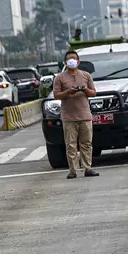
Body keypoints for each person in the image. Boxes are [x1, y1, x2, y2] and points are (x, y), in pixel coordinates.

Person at [53, 49, 99, 179]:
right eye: (69, 59)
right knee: (71, 145)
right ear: (65, 62)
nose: (71, 61)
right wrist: (68, 92)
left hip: (85, 115)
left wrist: (85, 89)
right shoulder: (59, 78)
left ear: (78, 61)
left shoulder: (86, 75)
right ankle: (73, 170)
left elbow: (93, 93)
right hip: (69, 117)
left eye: (73, 58)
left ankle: (87, 168)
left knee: (86, 143)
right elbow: (56, 95)